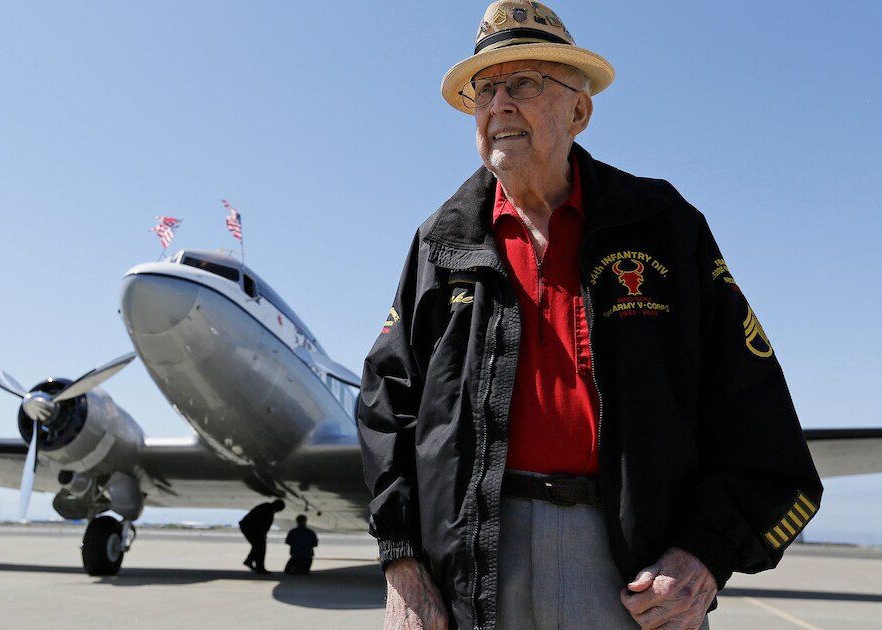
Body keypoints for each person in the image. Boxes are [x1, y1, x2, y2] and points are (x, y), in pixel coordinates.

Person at [356, 2, 823, 629]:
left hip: (634, 576)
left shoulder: (663, 226)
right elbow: (387, 409)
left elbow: (753, 408)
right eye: (485, 90)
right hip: (476, 568)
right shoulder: (441, 242)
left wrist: (705, 553)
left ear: (579, 111)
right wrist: (403, 567)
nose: (499, 105)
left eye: (523, 83)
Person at [239, 499, 284, 574]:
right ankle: (259, 568)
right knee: (260, 547)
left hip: (249, 527)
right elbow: (263, 524)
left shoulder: (266, 507)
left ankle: (249, 561)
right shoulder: (268, 510)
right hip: (251, 528)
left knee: (258, 546)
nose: (278, 512)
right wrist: (263, 535)